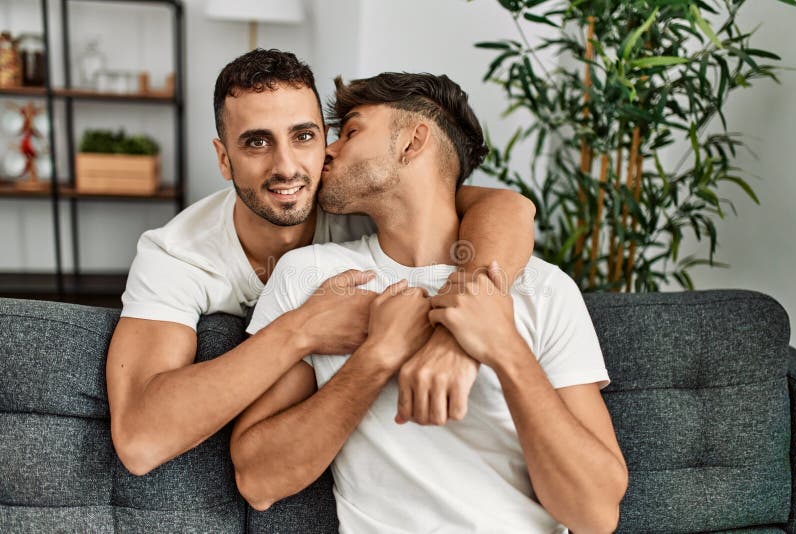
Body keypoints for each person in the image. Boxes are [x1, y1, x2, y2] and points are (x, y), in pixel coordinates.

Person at [105, 49, 536, 476]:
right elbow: (141, 442)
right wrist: (302, 330)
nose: (287, 167)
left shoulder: (358, 202)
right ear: (223, 158)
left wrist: (462, 332)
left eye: (304, 136)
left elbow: (510, 208)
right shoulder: (178, 254)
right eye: (257, 142)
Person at [234, 72, 628, 533]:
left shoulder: (542, 288)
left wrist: (503, 348)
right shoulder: (311, 276)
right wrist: (376, 358)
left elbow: (596, 515)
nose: (327, 151)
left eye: (352, 131)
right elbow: (258, 479)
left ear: (413, 141)